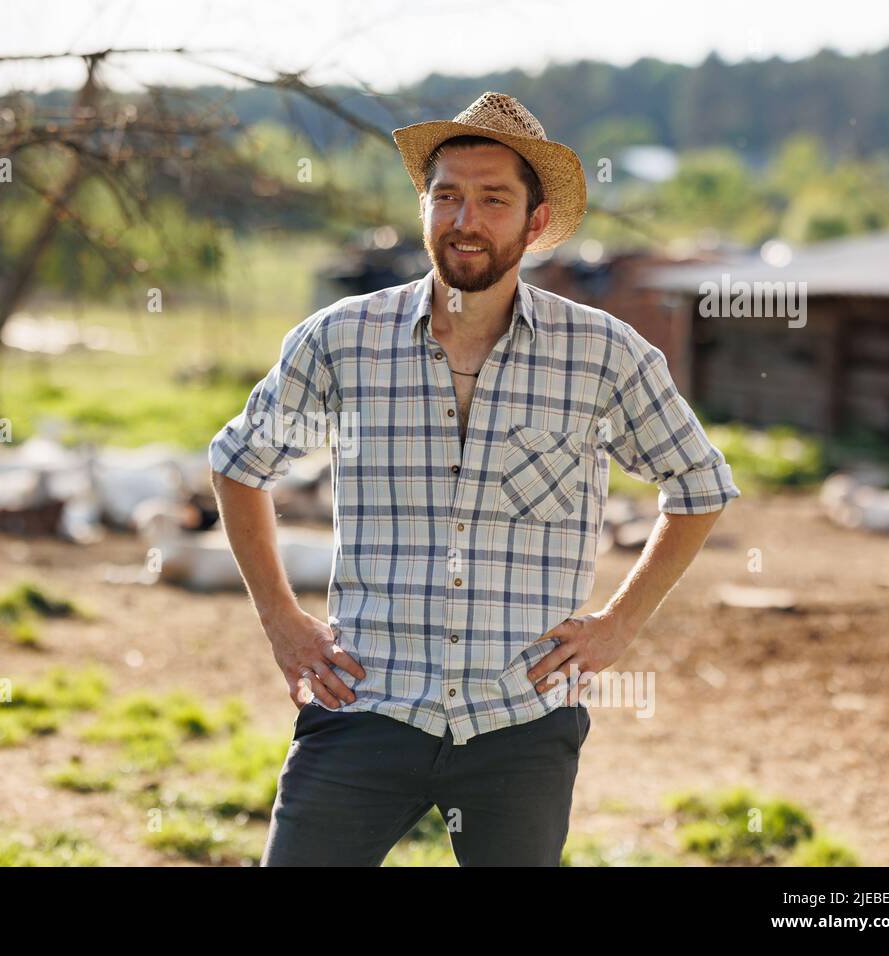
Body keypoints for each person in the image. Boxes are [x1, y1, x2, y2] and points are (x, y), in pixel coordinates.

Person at [208, 92, 741, 866]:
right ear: (423, 209)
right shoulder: (341, 339)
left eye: (493, 199)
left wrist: (619, 622)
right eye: (448, 196)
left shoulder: (603, 355)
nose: (466, 219)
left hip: (519, 719)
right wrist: (281, 621)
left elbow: (700, 486)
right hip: (364, 704)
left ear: (533, 221)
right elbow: (238, 465)